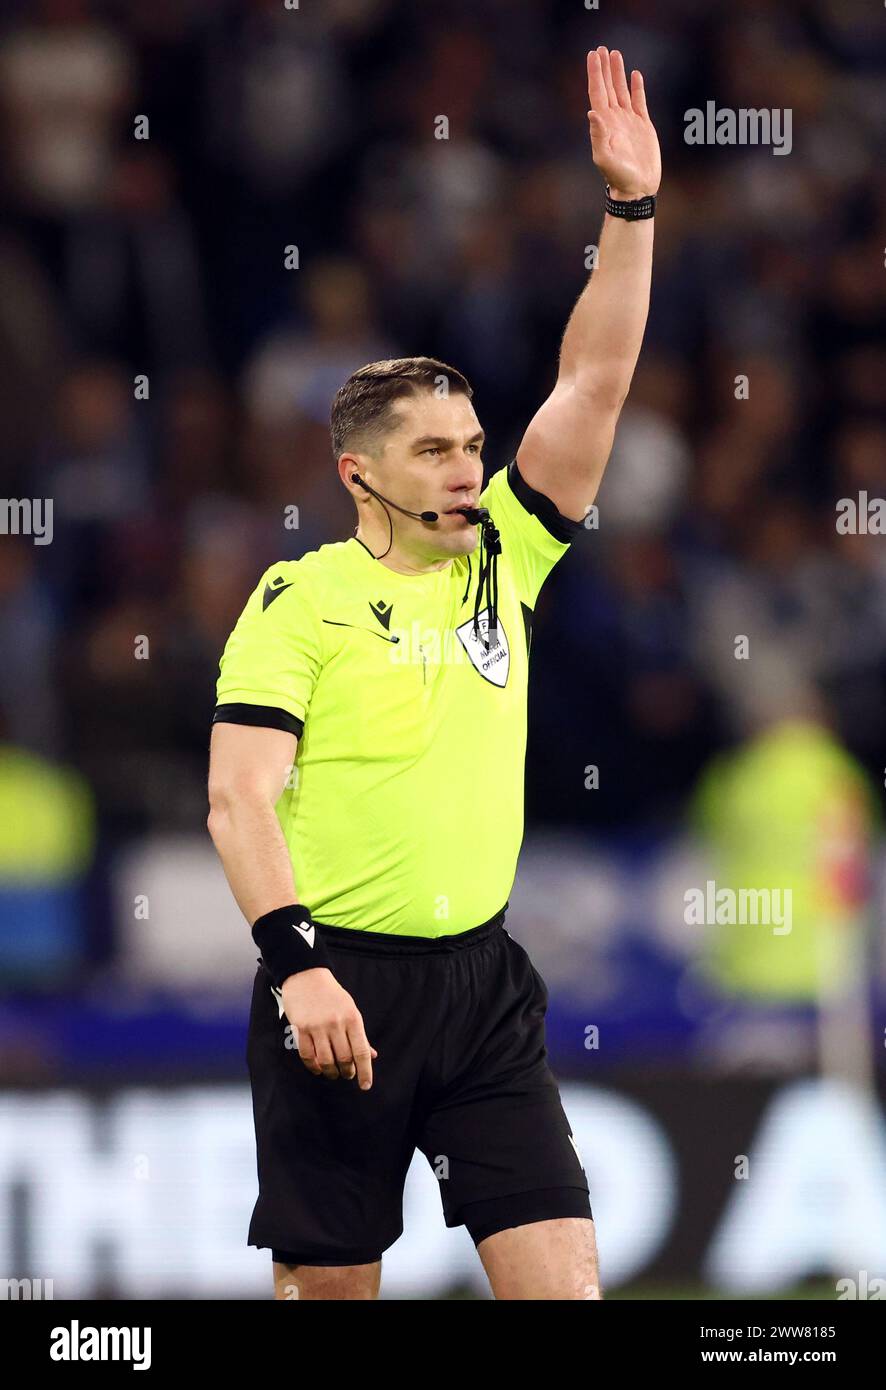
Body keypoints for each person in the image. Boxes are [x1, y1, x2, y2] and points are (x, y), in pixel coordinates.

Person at [207, 47, 660, 1300]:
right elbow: (240, 800)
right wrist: (295, 965)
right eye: (433, 452)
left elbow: (595, 381)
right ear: (359, 475)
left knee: (566, 1289)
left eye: (471, 444)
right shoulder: (297, 603)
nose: (468, 469)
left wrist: (630, 214)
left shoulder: (505, 556)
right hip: (335, 982)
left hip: (485, 987)